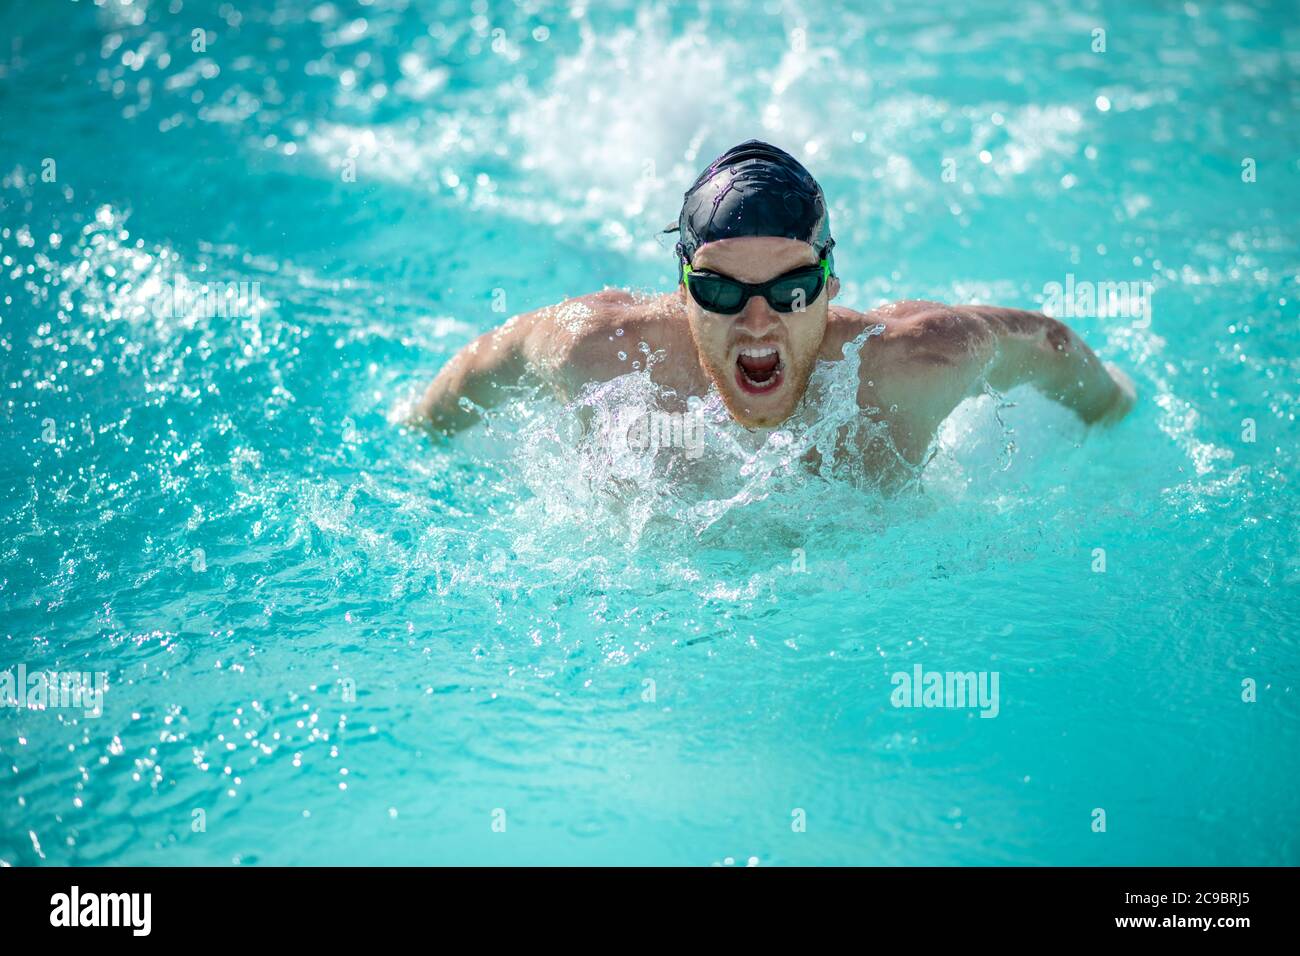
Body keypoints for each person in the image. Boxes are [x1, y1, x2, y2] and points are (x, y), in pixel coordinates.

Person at [412, 139, 1135, 473]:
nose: (757, 322)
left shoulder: (919, 361)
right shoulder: (595, 348)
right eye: (721, 290)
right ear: (683, 292)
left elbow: (1053, 345)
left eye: (790, 291)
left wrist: (1117, 418)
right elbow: (464, 381)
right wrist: (417, 440)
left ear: (830, 287)